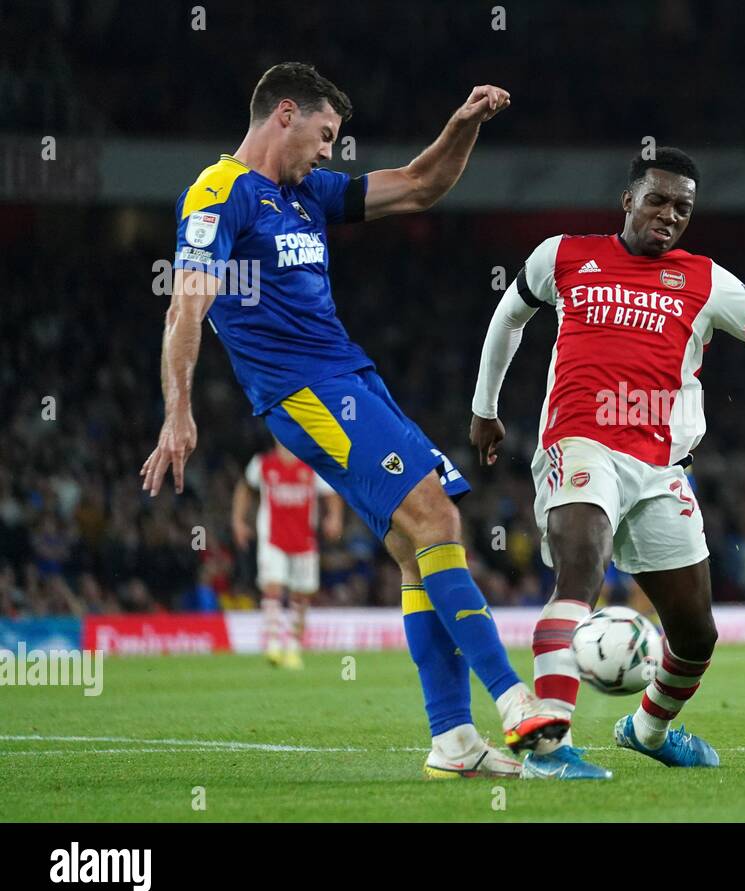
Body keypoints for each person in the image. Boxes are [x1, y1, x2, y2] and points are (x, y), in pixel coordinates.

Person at [141, 61, 562, 780]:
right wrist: (177, 412)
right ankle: (515, 700)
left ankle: (454, 743)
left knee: (413, 548)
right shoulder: (223, 193)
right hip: (305, 390)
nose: (330, 151)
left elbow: (421, 185)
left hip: (351, 378)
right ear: (284, 114)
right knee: (435, 517)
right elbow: (187, 303)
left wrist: (462, 126)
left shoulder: (306, 195)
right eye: (326, 134)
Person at [470, 147, 745, 779]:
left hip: (662, 468)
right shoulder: (562, 255)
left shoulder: (706, 279)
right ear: (628, 201)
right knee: (577, 582)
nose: (669, 215)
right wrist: (485, 407)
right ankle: (549, 750)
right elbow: (510, 316)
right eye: (658, 201)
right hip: (580, 445)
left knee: (696, 635)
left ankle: (648, 729)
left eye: (682, 209)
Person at [232, 438, 344, 669]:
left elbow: (331, 494)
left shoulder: (310, 465)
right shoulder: (262, 464)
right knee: (273, 587)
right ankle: (273, 642)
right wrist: (238, 520)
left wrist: (334, 517)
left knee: (301, 595)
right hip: (272, 538)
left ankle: (293, 647)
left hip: (304, 539)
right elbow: (245, 488)